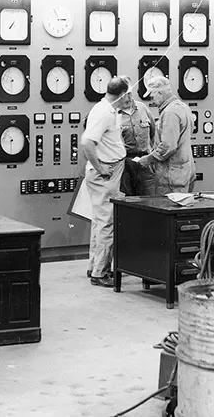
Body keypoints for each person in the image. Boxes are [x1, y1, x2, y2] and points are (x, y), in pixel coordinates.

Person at [80, 76, 129, 287]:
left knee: (100, 220)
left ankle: (95, 265)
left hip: (109, 170)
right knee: (107, 222)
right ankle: (100, 273)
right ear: (123, 95)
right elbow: (87, 143)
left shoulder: (108, 110)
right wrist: (101, 168)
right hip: (105, 173)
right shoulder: (103, 112)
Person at [135, 75, 196, 195]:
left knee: (168, 209)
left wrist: (149, 159)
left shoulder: (170, 113)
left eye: (152, 96)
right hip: (185, 171)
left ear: (160, 93)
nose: (152, 100)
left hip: (172, 176)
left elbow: (168, 146)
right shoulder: (183, 107)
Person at [117, 76, 156, 197]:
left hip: (145, 163)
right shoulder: (112, 115)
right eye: (123, 95)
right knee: (127, 204)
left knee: (150, 202)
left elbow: (153, 134)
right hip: (124, 166)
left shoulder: (143, 108)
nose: (127, 98)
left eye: (129, 94)